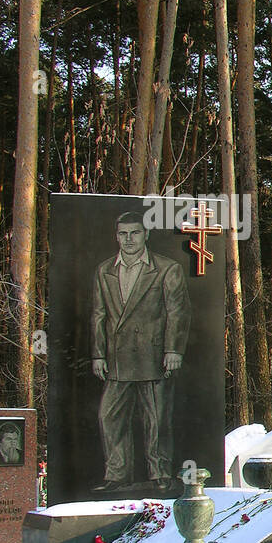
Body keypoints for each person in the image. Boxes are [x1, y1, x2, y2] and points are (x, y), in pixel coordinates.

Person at [91, 211, 191, 495]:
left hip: (154, 355)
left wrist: (173, 349)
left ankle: (160, 474)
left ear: (146, 234)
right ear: (116, 236)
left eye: (134, 233)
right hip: (117, 359)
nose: (129, 239)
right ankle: (117, 474)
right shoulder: (105, 270)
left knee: (157, 419)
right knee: (109, 417)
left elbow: (177, 312)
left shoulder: (165, 268)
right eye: (123, 233)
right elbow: (98, 315)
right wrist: (98, 354)